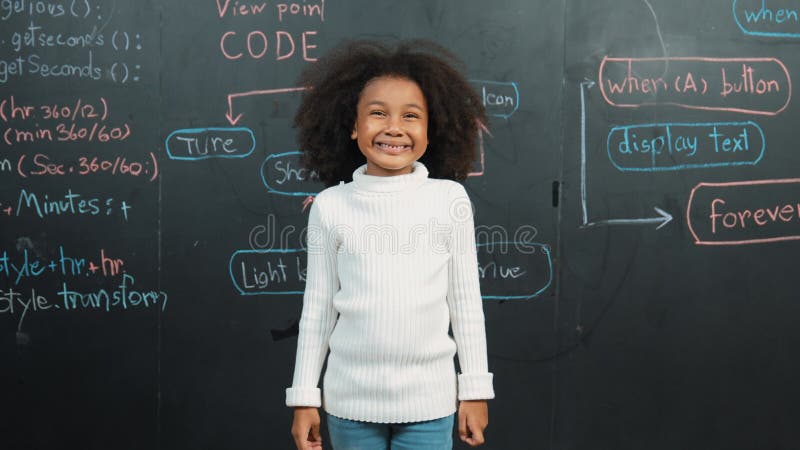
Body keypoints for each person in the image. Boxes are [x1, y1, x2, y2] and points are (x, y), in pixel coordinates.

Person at [286, 39, 494, 450]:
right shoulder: (330, 208)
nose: (394, 127)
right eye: (377, 113)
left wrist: (474, 388)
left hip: (431, 406)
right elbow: (318, 309)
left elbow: (466, 304)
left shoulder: (449, 200)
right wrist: (304, 396)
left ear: (430, 130)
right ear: (353, 125)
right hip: (349, 405)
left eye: (411, 116)